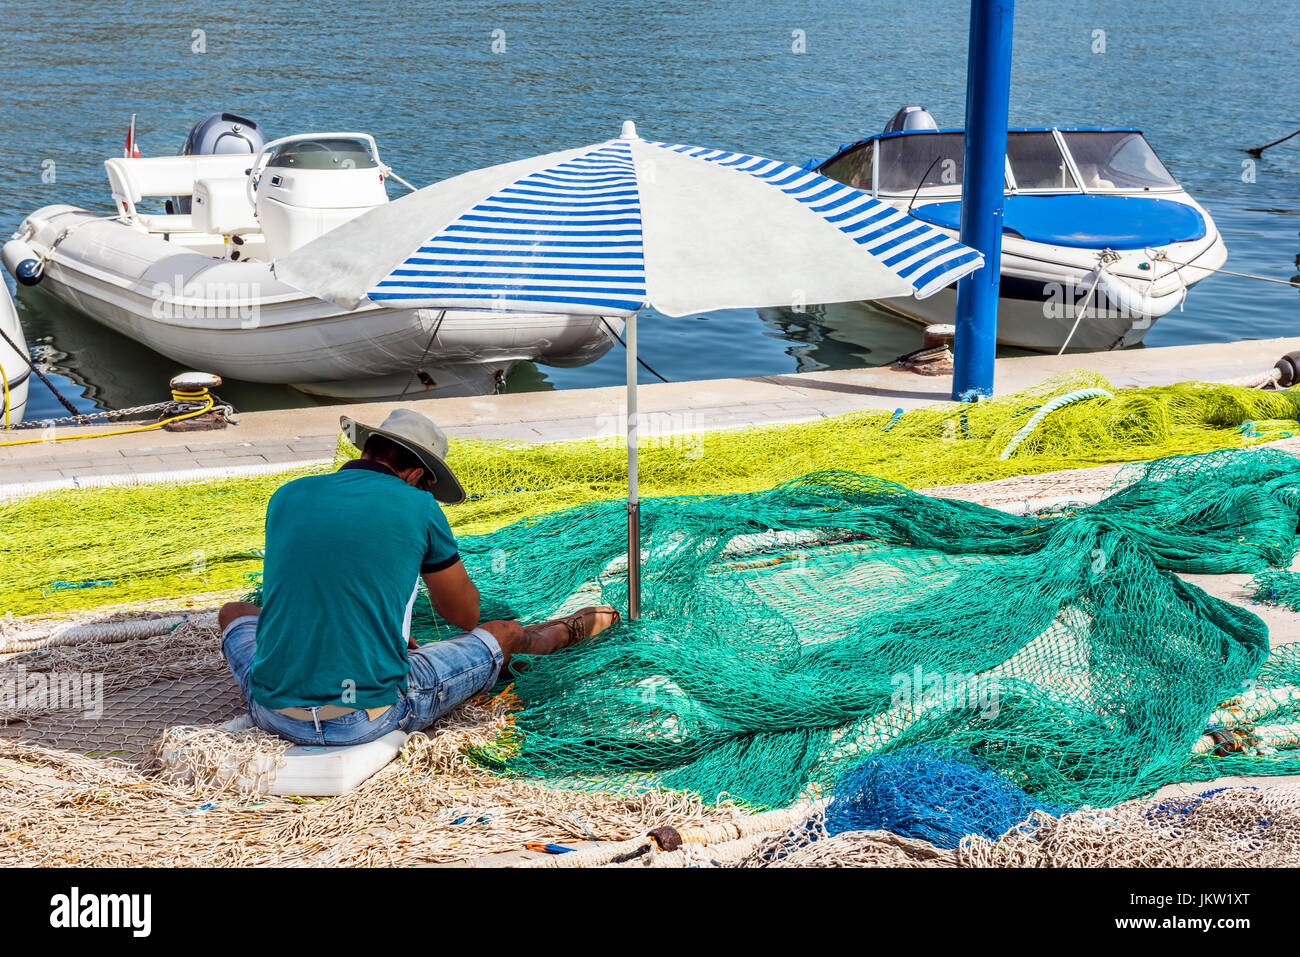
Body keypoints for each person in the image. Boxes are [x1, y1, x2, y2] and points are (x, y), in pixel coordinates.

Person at [217, 408, 619, 747]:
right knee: (505, 632)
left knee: (236, 611)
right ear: (415, 475)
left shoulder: (289, 494)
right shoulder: (418, 506)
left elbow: (321, 579)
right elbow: (463, 615)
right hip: (364, 717)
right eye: (428, 485)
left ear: (369, 449)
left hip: (272, 710)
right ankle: (562, 634)